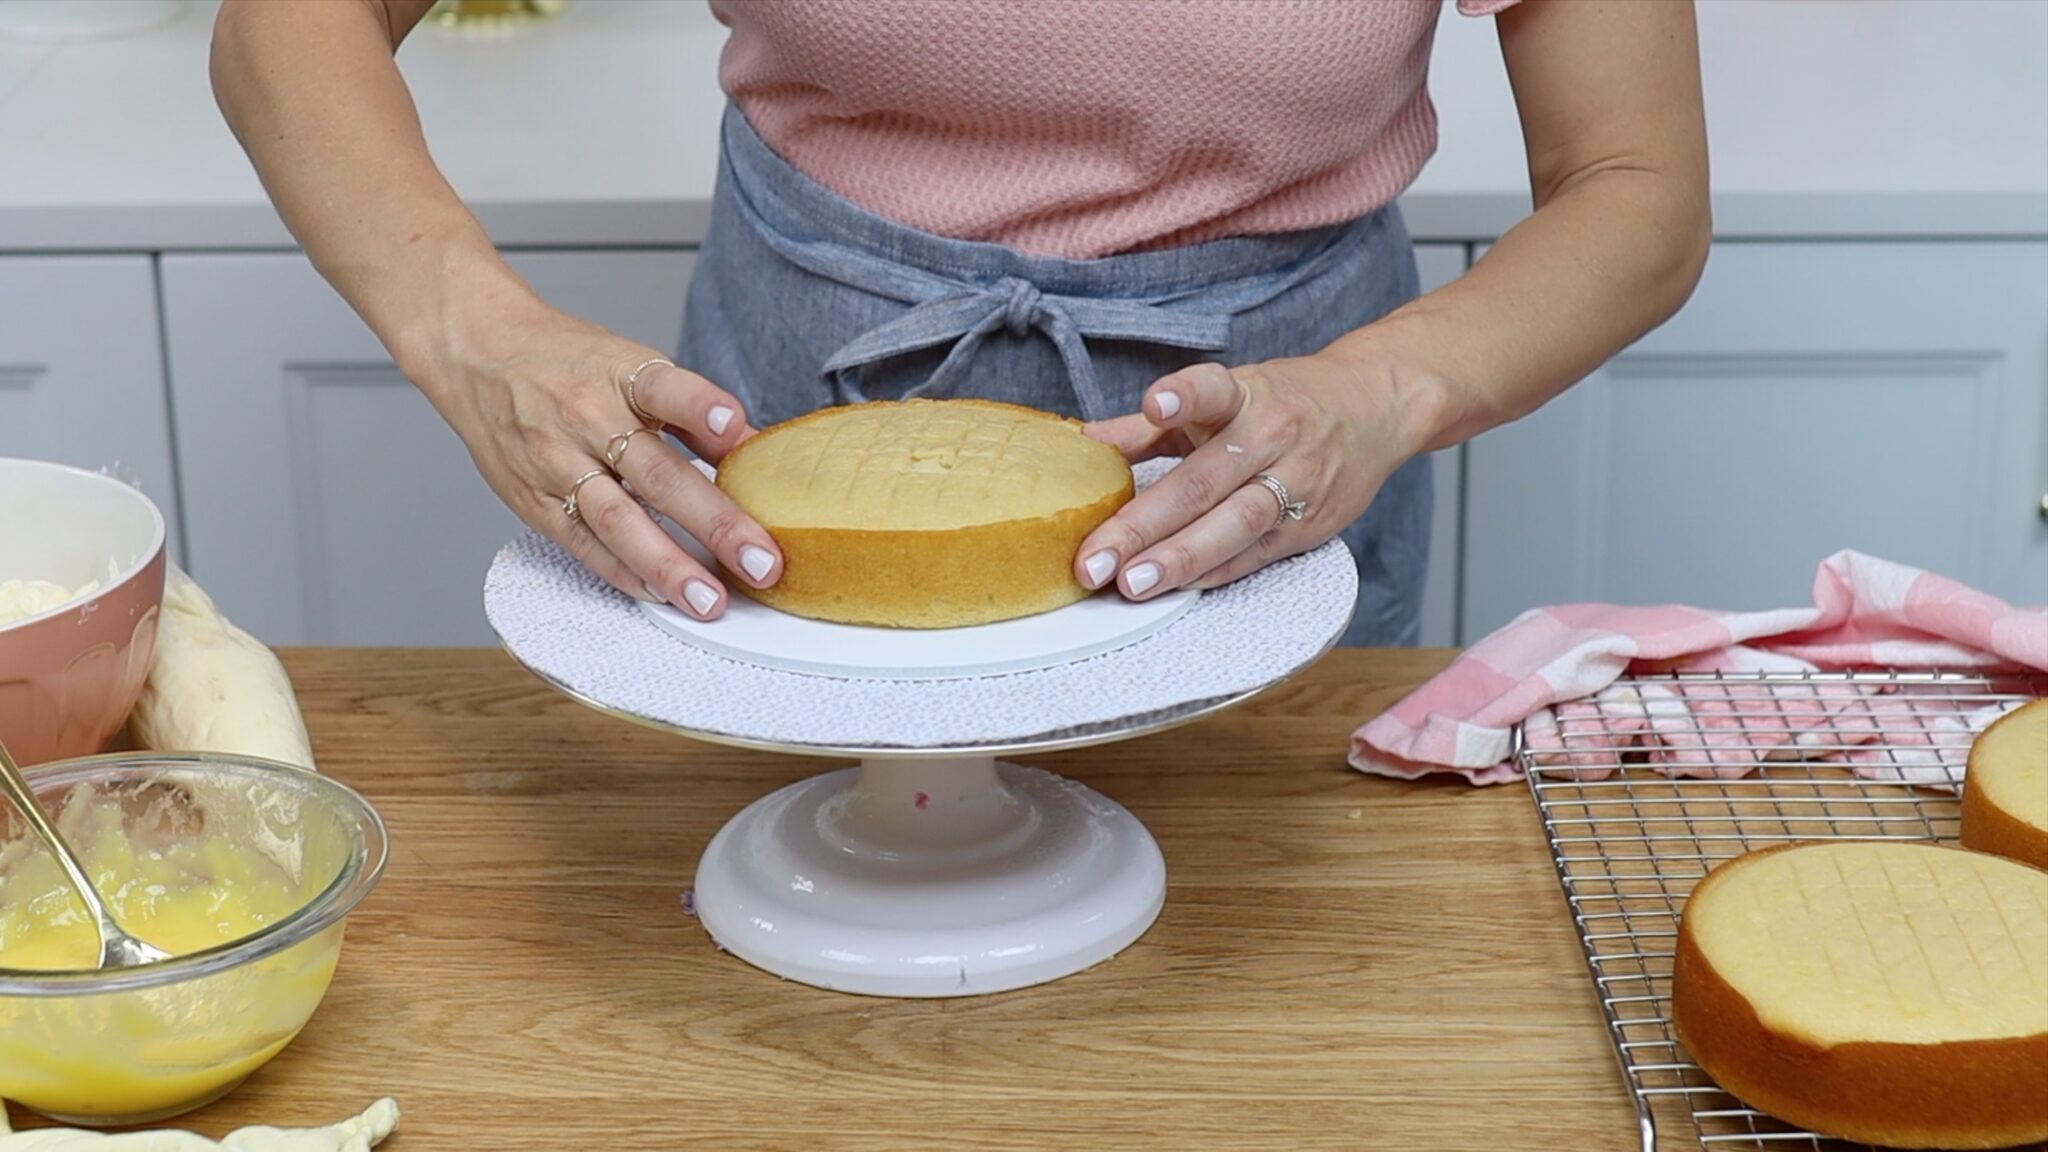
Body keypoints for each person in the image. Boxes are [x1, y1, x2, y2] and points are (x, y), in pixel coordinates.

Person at [210, 0, 1708, 646]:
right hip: (786, 430)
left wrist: (1383, 394)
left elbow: (1635, 187)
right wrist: (477, 338)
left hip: (1274, 466)